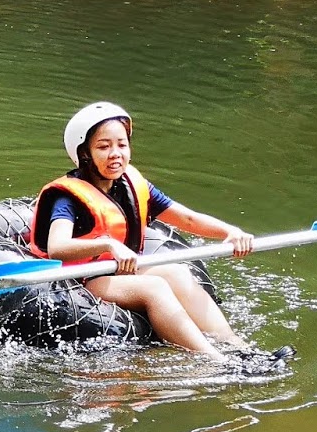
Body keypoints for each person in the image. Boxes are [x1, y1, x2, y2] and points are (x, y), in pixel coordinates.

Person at [28, 101, 291, 364]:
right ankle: (218, 363)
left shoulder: (131, 185)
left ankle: (240, 349)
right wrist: (108, 245)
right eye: (103, 147)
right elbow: (58, 247)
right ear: (84, 154)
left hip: (117, 270)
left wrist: (230, 231)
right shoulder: (68, 198)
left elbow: (186, 218)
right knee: (154, 287)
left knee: (177, 272)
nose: (115, 154)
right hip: (82, 279)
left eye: (122, 144)